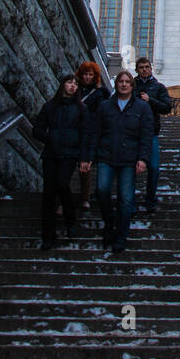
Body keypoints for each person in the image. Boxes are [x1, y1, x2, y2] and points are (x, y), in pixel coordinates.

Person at [83, 69, 153, 254]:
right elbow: (95, 133)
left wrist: (143, 158)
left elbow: (146, 135)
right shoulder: (105, 106)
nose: (123, 84)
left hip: (129, 159)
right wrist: (89, 157)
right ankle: (109, 221)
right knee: (102, 190)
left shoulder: (142, 107)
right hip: (107, 156)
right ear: (117, 85)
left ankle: (120, 236)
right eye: (120, 81)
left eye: (126, 82)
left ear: (132, 85)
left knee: (126, 198)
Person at [32, 73, 95, 248]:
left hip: (70, 153)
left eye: (76, 83)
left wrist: (84, 158)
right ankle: (48, 236)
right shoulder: (50, 106)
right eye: (69, 83)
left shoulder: (81, 109)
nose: (73, 86)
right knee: (49, 192)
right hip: (51, 153)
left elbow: (86, 134)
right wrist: (50, 138)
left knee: (62, 183)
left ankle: (70, 219)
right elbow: (37, 129)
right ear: (63, 86)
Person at [133, 56, 173, 213]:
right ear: (137, 70)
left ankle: (150, 198)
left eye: (146, 67)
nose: (144, 70)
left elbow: (166, 107)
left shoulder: (158, 87)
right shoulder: (130, 85)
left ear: (151, 68)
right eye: (141, 67)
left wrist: (150, 100)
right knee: (130, 168)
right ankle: (129, 200)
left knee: (154, 167)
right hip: (132, 132)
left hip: (151, 133)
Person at [75, 61, 109, 212]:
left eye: (90, 74)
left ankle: (85, 198)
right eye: (85, 74)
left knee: (86, 164)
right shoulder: (75, 89)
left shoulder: (100, 93)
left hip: (90, 132)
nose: (88, 77)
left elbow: (102, 112)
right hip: (73, 131)